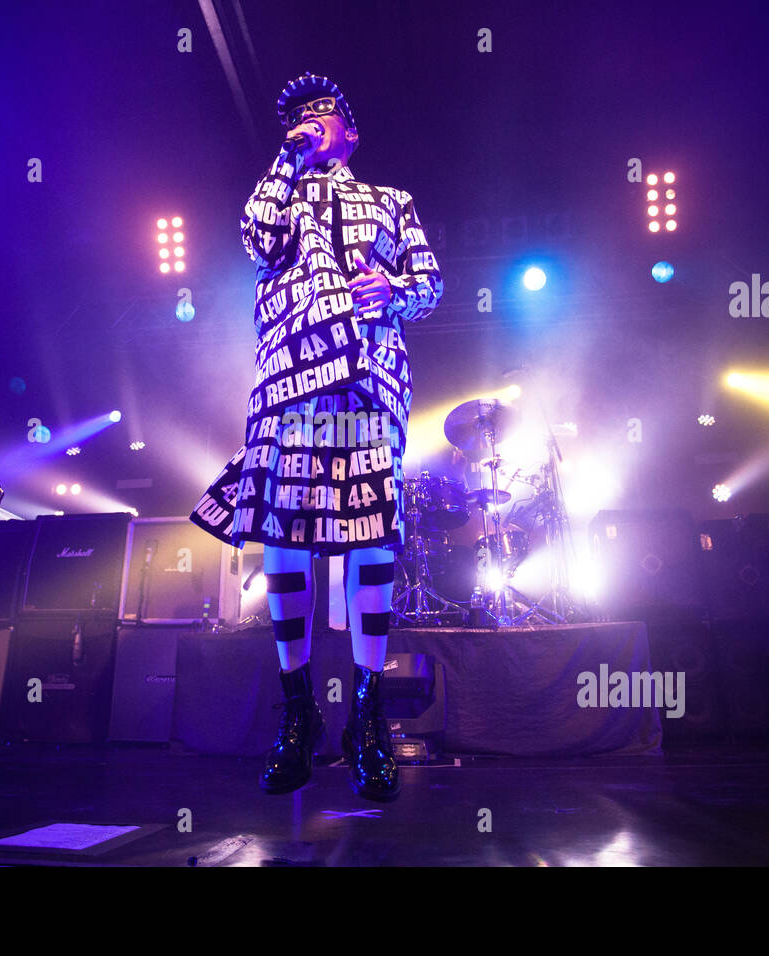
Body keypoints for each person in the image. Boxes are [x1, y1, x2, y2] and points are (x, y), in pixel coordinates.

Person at [190, 73, 443, 801]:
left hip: (366, 381)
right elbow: (257, 238)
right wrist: (285, 161)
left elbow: (429, 282)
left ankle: (366, 717)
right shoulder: (280, 194)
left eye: (323, 115)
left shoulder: (393, 201)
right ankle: (297, 712)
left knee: (369, 536)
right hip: (290, 383)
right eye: (297, 119)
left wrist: (395, 289)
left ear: (351, 131)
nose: (309, 123)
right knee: (287, 536)